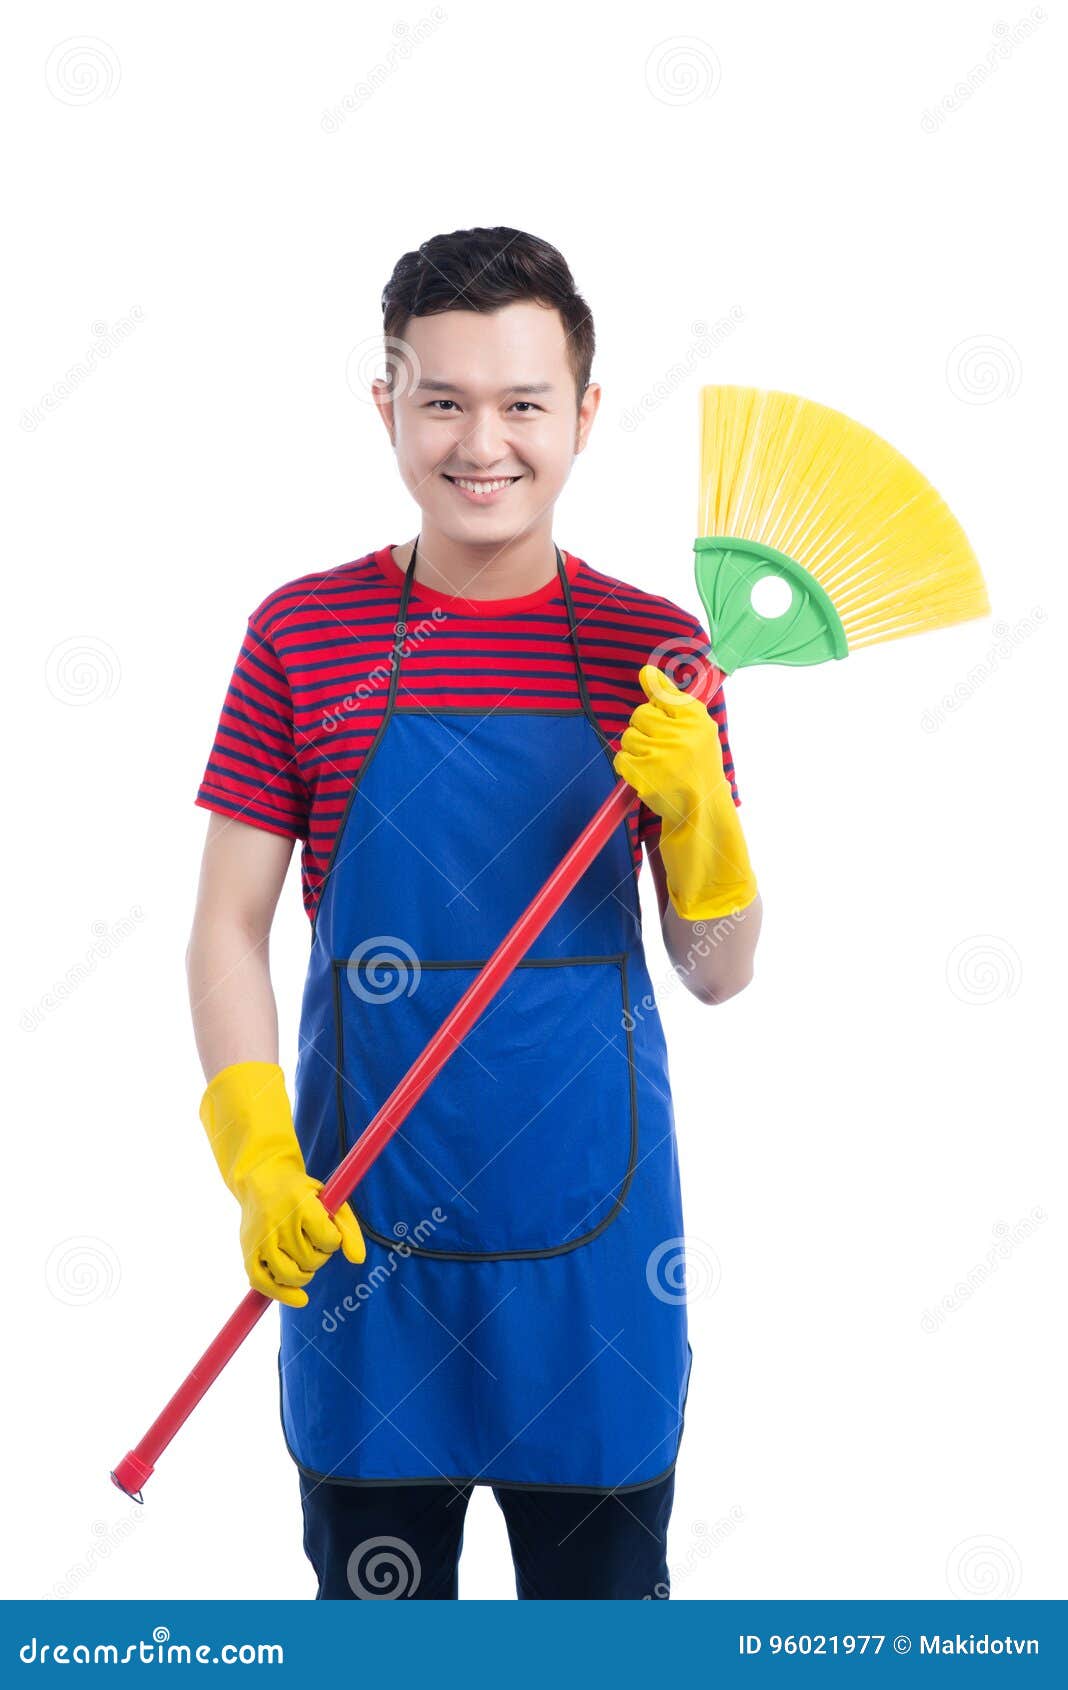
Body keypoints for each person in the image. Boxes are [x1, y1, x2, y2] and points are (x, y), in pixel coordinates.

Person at [188, 226, 762, 1600]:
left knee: (602, 1641)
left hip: (598, 1250)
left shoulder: (659, 651)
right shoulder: (302, 632)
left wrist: (708, 824)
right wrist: (259, 1154)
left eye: (523, 402)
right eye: (442, 399)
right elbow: (226, 927)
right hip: (359, 1227)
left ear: (585, 413)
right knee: (381, 1638)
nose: (482, 441)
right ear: (388, 406)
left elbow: (718, 970)